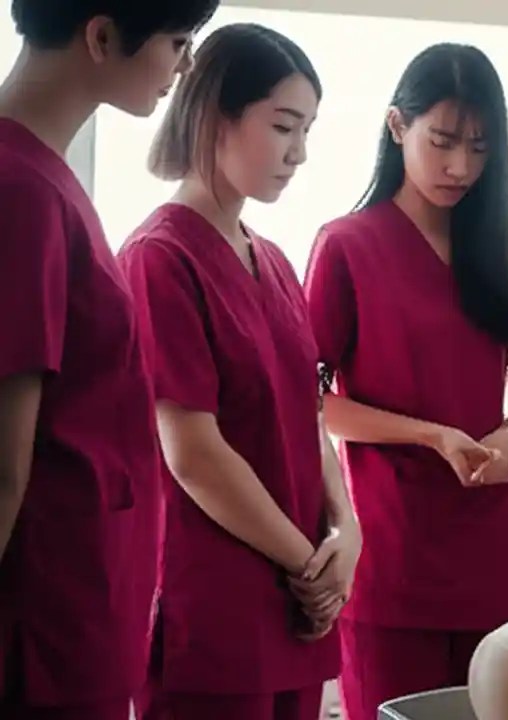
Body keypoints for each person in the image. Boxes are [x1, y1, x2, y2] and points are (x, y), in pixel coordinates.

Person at [302, 42, 508, 720]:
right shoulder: (346, 246)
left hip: (496, 541)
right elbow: (315, 404)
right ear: (398, 127)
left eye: (480, 148)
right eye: (444, 141)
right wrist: (432, 435)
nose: (460, 167)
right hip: (394, 549)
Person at [118, 23, 354, 720]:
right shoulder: (160, 257)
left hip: (296, 607)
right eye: (284, 127)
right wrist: (307, 562)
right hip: (215, 607)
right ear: (217, 115)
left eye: (307, 130)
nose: (299, 153)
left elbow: (307, 416)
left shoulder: (273, 261)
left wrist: (346, 531)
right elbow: (192, 451)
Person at [0, 1, 217, 717]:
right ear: (100, 36)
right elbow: (3, 470)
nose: (184, 66)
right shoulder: (20, 189)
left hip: (82, 612)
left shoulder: (44, 177)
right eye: (179, 41)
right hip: (43, 634)